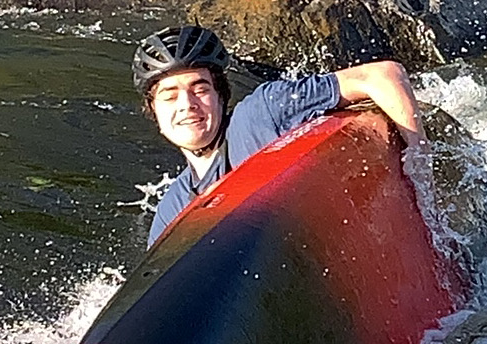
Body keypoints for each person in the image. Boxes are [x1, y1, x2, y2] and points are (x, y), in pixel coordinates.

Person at [133, 25, 422, 245]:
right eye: (170, 97)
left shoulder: (260, 115)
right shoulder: (172, 210)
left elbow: (383, 75)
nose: (187, 105)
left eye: (200, 89)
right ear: (153, 112)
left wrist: (422, 173)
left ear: (221, 96)